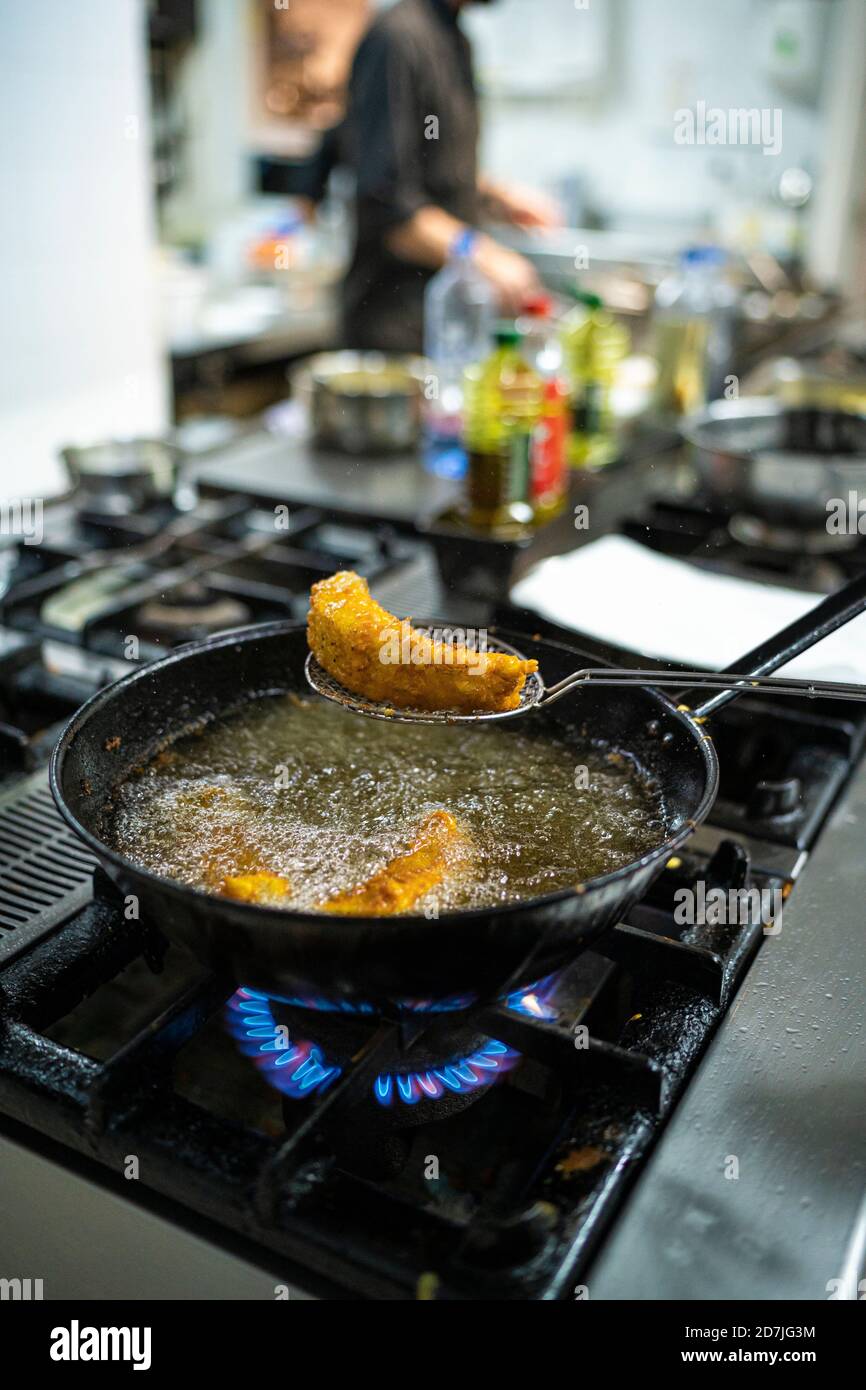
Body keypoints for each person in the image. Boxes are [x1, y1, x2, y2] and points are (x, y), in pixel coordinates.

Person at [341, 0, 559, 353]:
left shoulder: (455, 37)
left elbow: (435, 165)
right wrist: (483, 256)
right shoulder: (396, 39)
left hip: (448, 326)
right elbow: (386, 203)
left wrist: (496, 195)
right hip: (393, 333)